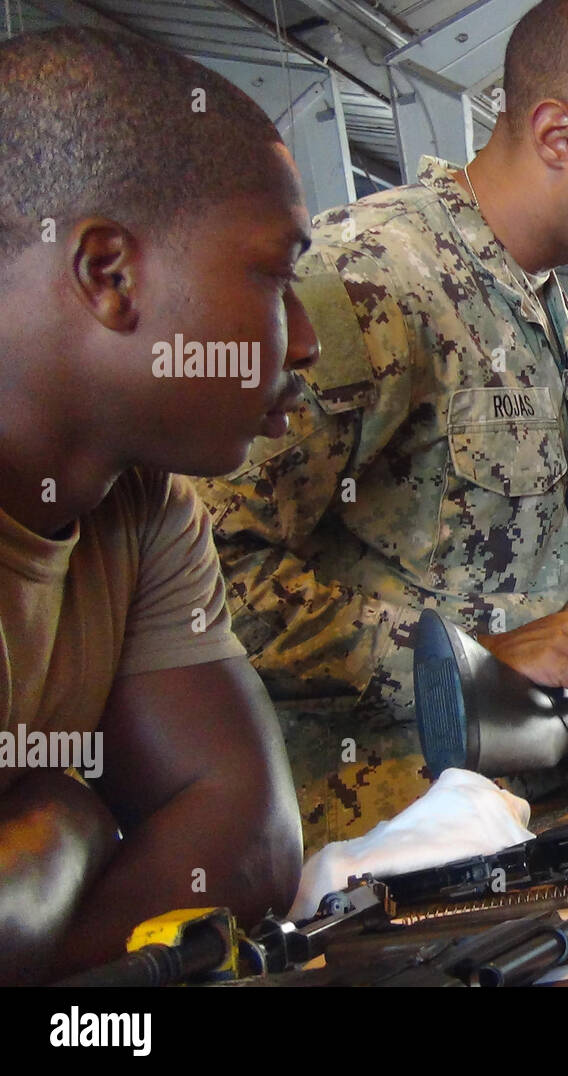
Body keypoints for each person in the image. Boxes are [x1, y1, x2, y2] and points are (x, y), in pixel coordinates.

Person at [197, 0, 568, 850]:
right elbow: (205, 576)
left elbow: (485, 594)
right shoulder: (371, 281)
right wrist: (470, 660)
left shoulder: (535, 306)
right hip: (387, 862)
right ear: (556, 134)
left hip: (521, 835)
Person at [0, 27, 318, 982]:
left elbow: (252, 840)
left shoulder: (140, 504)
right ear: (109, 273)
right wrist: (71, 825)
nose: (301, 341)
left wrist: (50, 836)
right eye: (273, 272)